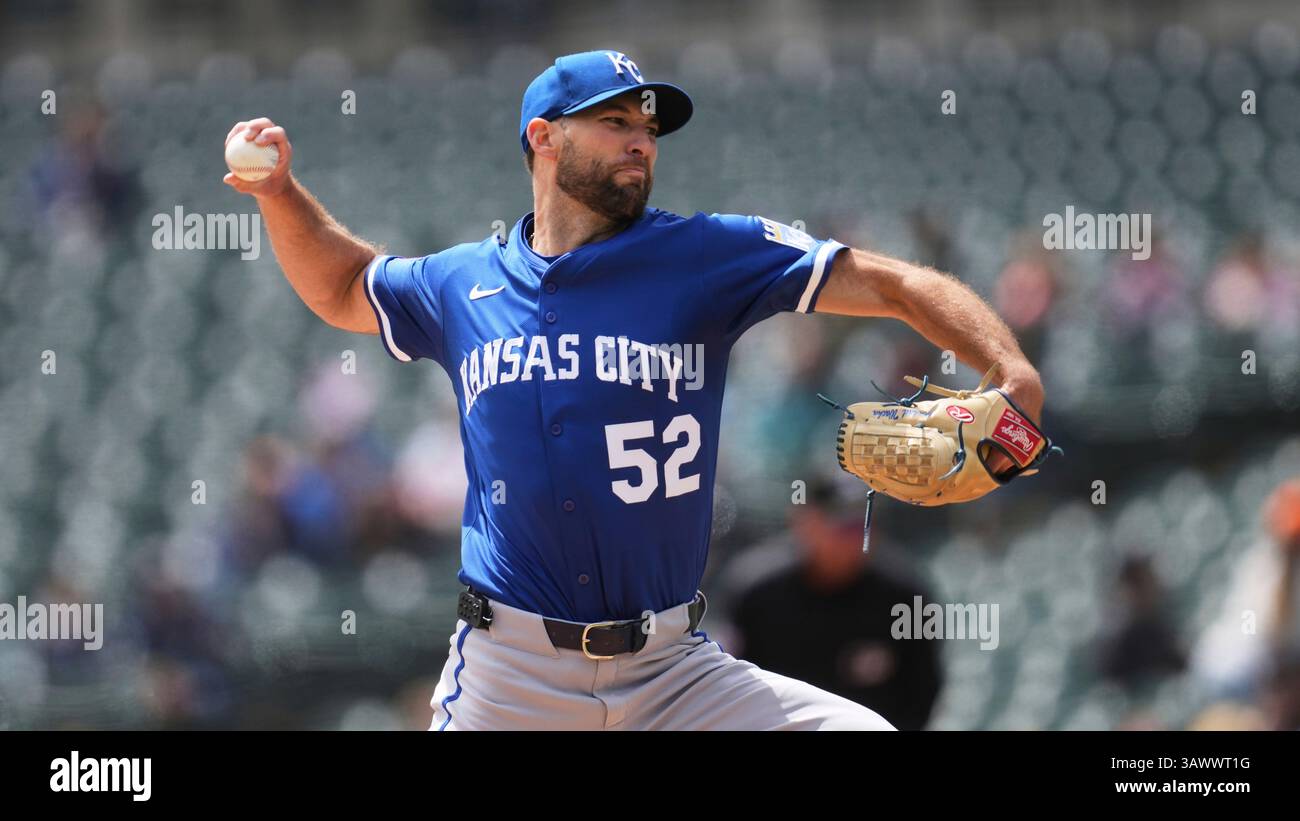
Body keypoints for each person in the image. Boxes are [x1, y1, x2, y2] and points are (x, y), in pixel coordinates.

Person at [224, 50, 1046, 730]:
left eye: (648, 129)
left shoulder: (705, 255)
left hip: (674, 672)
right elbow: (344, 287)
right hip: (510, 679)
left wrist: (1009, 368)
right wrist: (279, 194)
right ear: (543, 137)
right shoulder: (462, 282)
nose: (640, 143)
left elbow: (894, 284)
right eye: (615, 122)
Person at [728, 478, 943, 730]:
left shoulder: (905, 595)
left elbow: (923, 691)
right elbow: (736, 685)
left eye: (862, 525)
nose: (854, 537)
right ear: (804, 522)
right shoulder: (757, 593)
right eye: (841, 526)